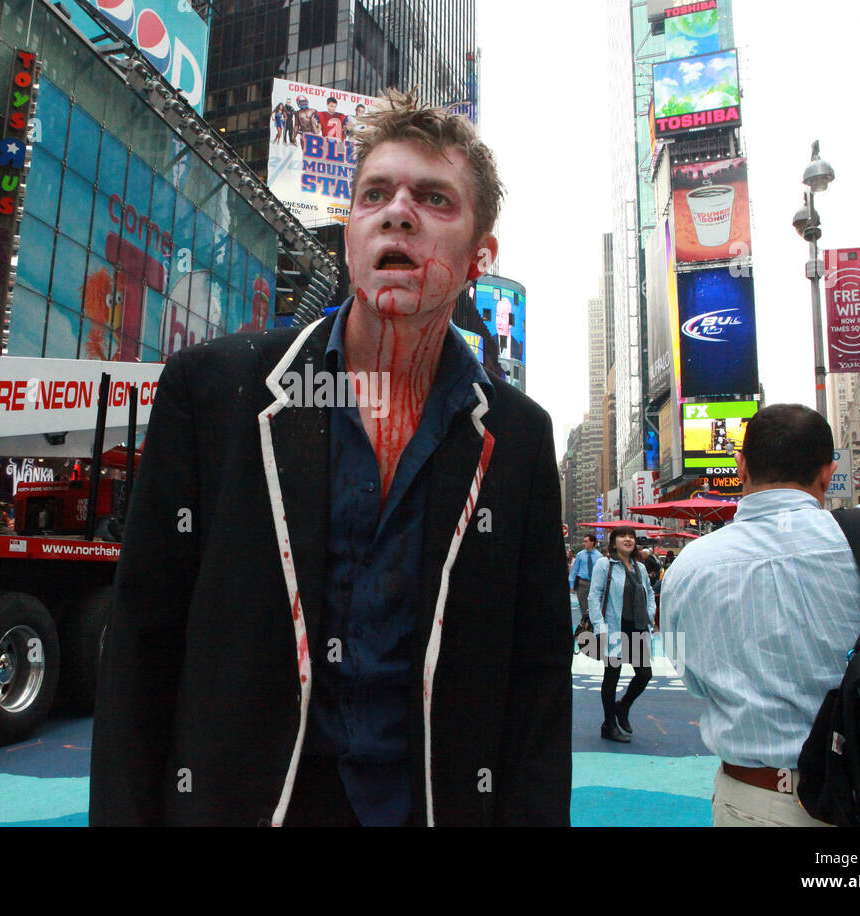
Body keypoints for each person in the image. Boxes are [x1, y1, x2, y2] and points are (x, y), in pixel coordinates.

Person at [90, 88, 570, 826]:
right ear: (350, 237)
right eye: (376, 194)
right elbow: (141, 647)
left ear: (480, 257)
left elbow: (536, 681)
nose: (398, 212)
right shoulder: (216, 391)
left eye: (435, 199)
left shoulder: (519, 436)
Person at [661, 404, 860, 827]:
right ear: (828, 472)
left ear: (740, 465)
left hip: (759, 800)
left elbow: (694, 678)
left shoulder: (690, 567)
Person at [586, 528, 655, 743]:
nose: (628, 540)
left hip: (638, 626)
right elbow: (594, 596)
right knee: (612, 676)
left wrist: (650, 614)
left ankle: (622, 706)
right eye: (622, 536)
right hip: (614, 627)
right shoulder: (604, 565)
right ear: (613, 542)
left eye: (631, 537)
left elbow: (650, 593)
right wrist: (600, 626)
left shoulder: (640, 568)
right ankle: (609, 724)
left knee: (644, 674)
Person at [567, 533, 602, 630]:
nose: (584, 543)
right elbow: (574, 570)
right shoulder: (580, 555)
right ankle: (586, 629)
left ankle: (594, 628)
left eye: (586, 541)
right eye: (584, 541)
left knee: (594, 607)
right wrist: (571, 584)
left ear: (592, 542)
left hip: (595, 584)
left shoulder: (599, 556)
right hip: (582, 583)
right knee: (583, 608)